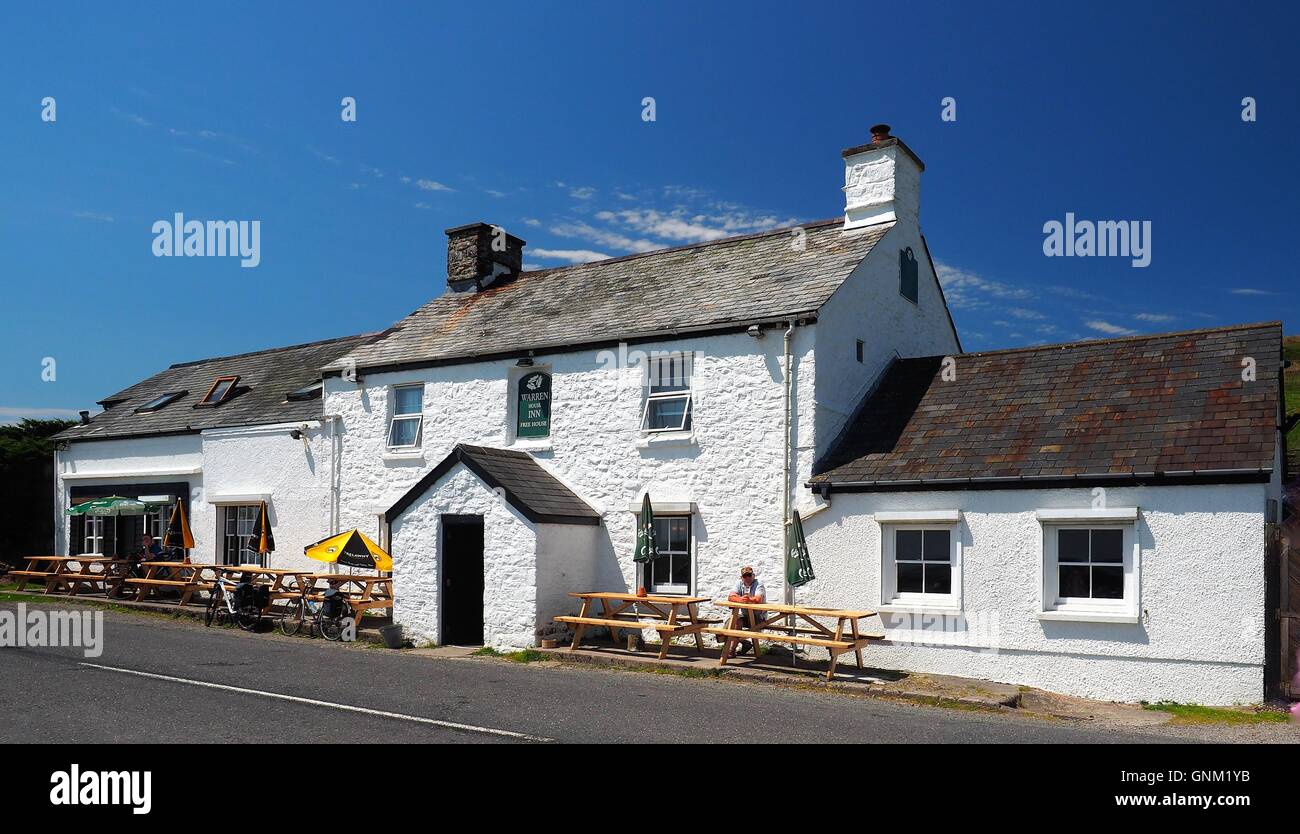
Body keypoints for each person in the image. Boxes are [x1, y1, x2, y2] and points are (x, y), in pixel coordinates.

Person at [727, 565, 766, 656]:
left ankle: (731, 649)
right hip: (746, 616)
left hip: (759, 618)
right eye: (745, 576)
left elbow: (758, 599)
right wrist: (741, 599)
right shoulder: (739, 583)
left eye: (749, 575)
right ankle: (736, 648)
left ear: (753, 575)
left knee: (732, 628)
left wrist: (748, 599)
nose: (747, 578)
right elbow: (730, 597)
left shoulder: (759, 584)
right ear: (742, 578)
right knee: (735, 622)